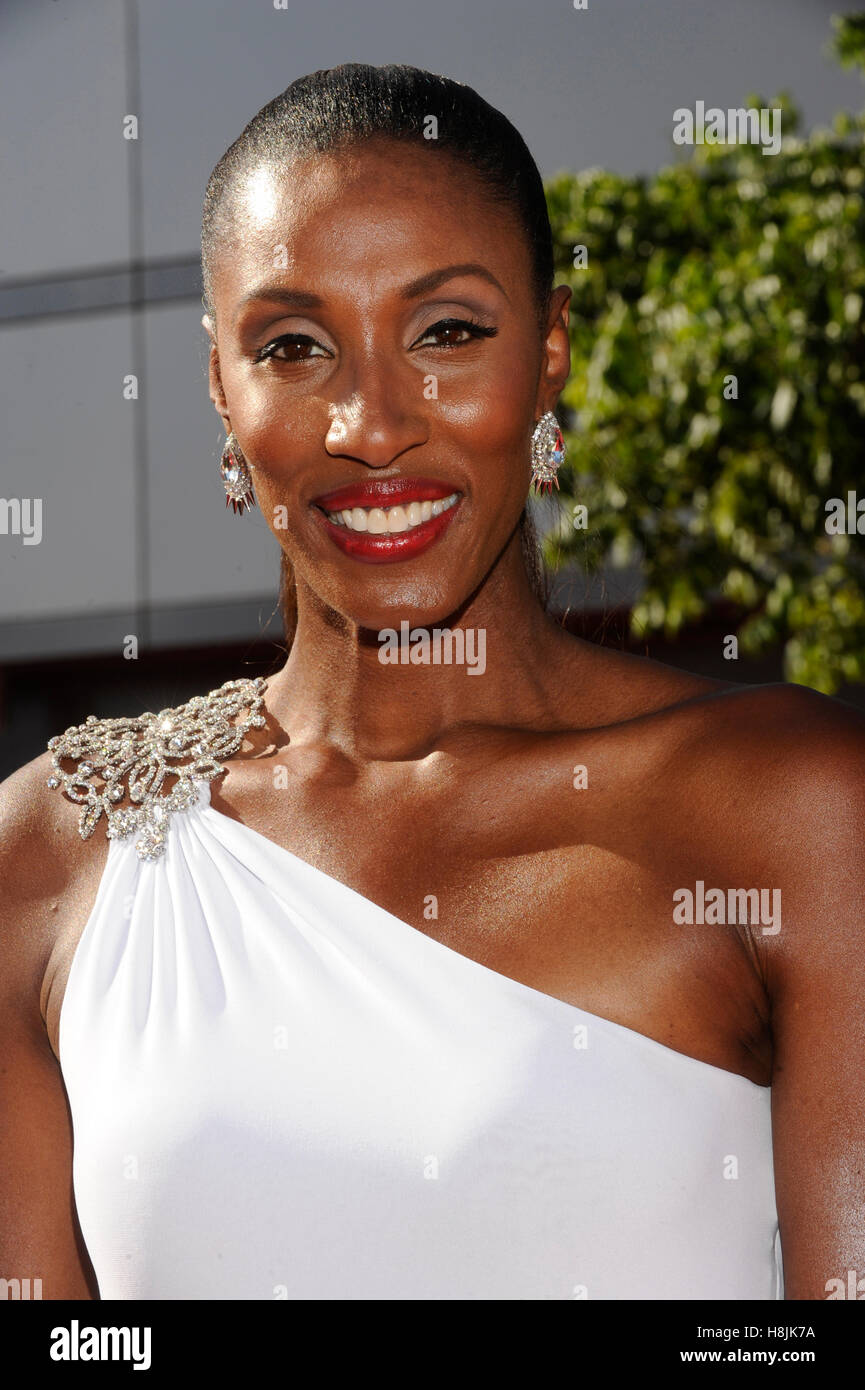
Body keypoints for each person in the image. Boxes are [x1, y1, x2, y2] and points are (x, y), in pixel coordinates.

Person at [1, 63, 862, 1302]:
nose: (371, 420)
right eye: (293, 346)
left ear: (552, 348)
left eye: (447, 332)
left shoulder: (792, 804)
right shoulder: (50, 849)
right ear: (218, 387)